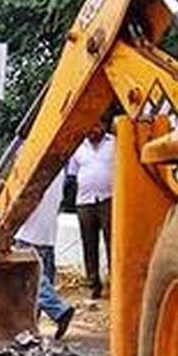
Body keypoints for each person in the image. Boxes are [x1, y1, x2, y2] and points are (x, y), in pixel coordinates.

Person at [15, 170, 76, 340]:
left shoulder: (35, 173)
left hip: (28, 234)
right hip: (48, 235)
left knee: (31, 281)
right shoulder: (59, 173)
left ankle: (59, 310)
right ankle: (31, 326)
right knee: (44, 278)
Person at [70, 119, 114, 299]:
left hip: (108, 199)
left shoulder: (115, 143)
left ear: (103, 125)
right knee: (89, 243)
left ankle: (115, 283)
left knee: (112, 242)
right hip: (84, 202)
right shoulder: (78, 147)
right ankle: (93, 284)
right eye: (89, 127)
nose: (92, 130)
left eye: (96, 126)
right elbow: (71, 174)